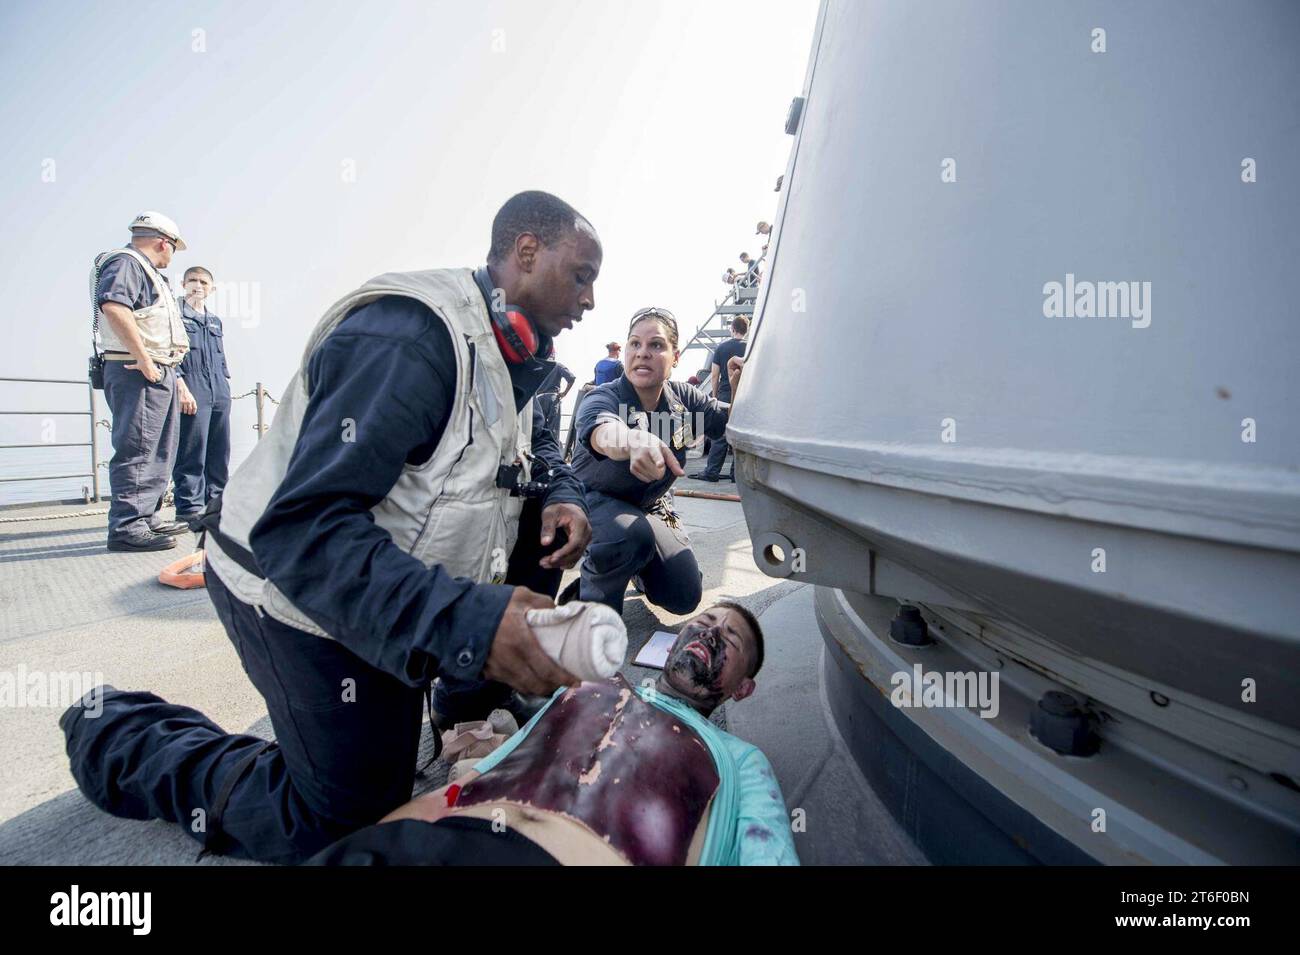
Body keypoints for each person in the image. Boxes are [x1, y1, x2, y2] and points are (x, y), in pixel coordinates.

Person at [62, 191, 603, 864]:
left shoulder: (516, 362)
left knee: (529, 535)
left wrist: (561, 495)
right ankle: (117, 733)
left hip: (386, 578)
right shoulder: (410, 340)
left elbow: (532, 459)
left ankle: (465, 707)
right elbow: (300, 535)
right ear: (526, 252)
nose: (589, 302)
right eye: (581, 275)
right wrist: (473, 623)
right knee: (344, 818)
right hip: (292, 593)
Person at [308, 602, 798, 866]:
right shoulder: (590, 686)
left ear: (743, 688)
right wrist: (390, 837)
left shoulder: (738, 760)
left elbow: (768, 855)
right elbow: (482, 774)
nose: (708, 635)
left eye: (729, 639)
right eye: (703, 623)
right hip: (445, 840)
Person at [562, 307, 743, 616]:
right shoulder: (603, 396)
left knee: (683, 595)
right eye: (635, 344)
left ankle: (630, 567)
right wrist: (632, 440)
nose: (642, 353)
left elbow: (732, 421)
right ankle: (590, 612)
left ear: (675, 357)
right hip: (594, 499)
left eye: (656, 345)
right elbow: (601, 431)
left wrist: (740, 389)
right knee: (628, 536)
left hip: (651, 505)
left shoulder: (684, 400)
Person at [93, 211, 192, 552]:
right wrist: (146, 358)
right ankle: (126, 527)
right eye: (173, 251)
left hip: (157, 369)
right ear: (164, 243)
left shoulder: (144, 270)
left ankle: (146, 516)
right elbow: (114, 306)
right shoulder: (127, 263)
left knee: (159, 446)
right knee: (138, 445)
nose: (170, 258)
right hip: (136, 369)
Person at [171, 266, 233, 522]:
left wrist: (225, 387)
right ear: (184, 284)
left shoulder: (215, 320)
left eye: (204, 282)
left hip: (218, 387)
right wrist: (180, 386)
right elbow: (170, 354)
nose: (198, 286)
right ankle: (189, 507)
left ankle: (216, 503)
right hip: (192, 384)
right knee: (191, 449)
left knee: (220, 449)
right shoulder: (174, 315)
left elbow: (220, 357)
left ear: (212, 288)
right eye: (193, 281)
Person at [691, 316, 748, 482]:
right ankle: (735, 474)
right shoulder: (751, 348)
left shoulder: (722, 348)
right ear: (746, 330)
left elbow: (714, 374)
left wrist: (714, 396)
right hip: (744, 395)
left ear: (732, 329)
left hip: (724, 394)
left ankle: (712, 471)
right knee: (740, 435)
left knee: (720, 435)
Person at [534, 360, 575, 440]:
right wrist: (564, 393)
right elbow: (571, 378)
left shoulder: (539, 365)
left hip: (538, 399)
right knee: (553, 430)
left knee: (538, 428)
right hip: (552, 398)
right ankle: (552, 449)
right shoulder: (557, 365)